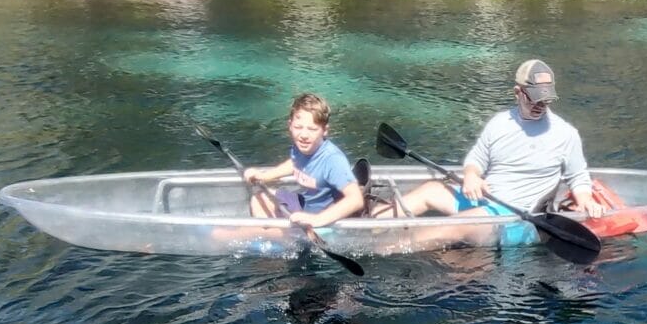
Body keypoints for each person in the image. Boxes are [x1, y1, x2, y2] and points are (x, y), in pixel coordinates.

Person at [379, 60, 612, 219]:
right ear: (518, 92)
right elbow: (476, 158)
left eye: (546, 100)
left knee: (446, 228)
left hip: (515, 214)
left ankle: (385, 249)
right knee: (429, 189)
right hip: (487, 200)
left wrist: (586, 201)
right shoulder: (500, 123)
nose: (540, 105)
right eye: (534, 99)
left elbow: (578, 176)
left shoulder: (565, 133)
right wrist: (471, 176)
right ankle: (365, 225)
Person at [244, 93, 364, 229]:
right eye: (298, 127)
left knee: (225, 234)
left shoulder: (332, 160)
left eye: (312, 129)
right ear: (290, 125)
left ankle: (272, 236)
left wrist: (317, 220)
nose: (304, 135)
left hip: (325, 221)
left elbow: (355, 199)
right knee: (259, 198)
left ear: (325, 131)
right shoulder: (301, 147)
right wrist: (264, 176)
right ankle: (272, 238)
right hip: (305, 205)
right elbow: (295, 162)